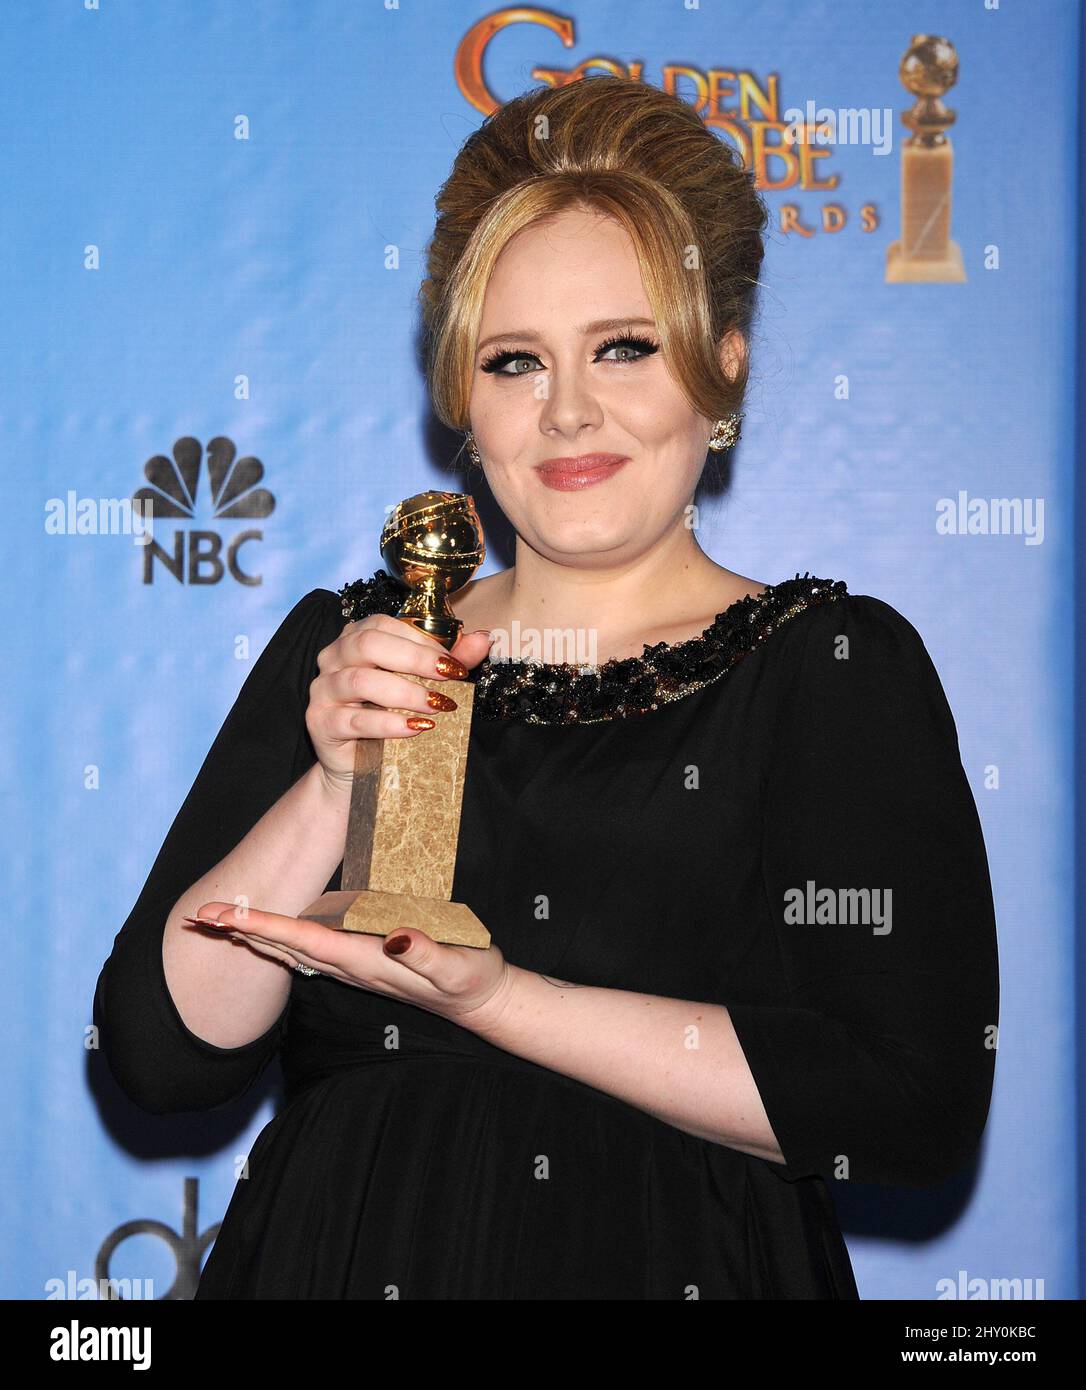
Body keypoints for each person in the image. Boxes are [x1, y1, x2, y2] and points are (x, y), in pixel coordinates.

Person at [94, 75, 999, 1300]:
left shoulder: (829, 668)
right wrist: (337, 780)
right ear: (462, 396)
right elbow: (162, 1055)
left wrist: (503, 997)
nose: (569, 408)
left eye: (623, 347)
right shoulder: (352, 645)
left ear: (722, 368)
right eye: (516, 361)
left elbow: (908, 1100)